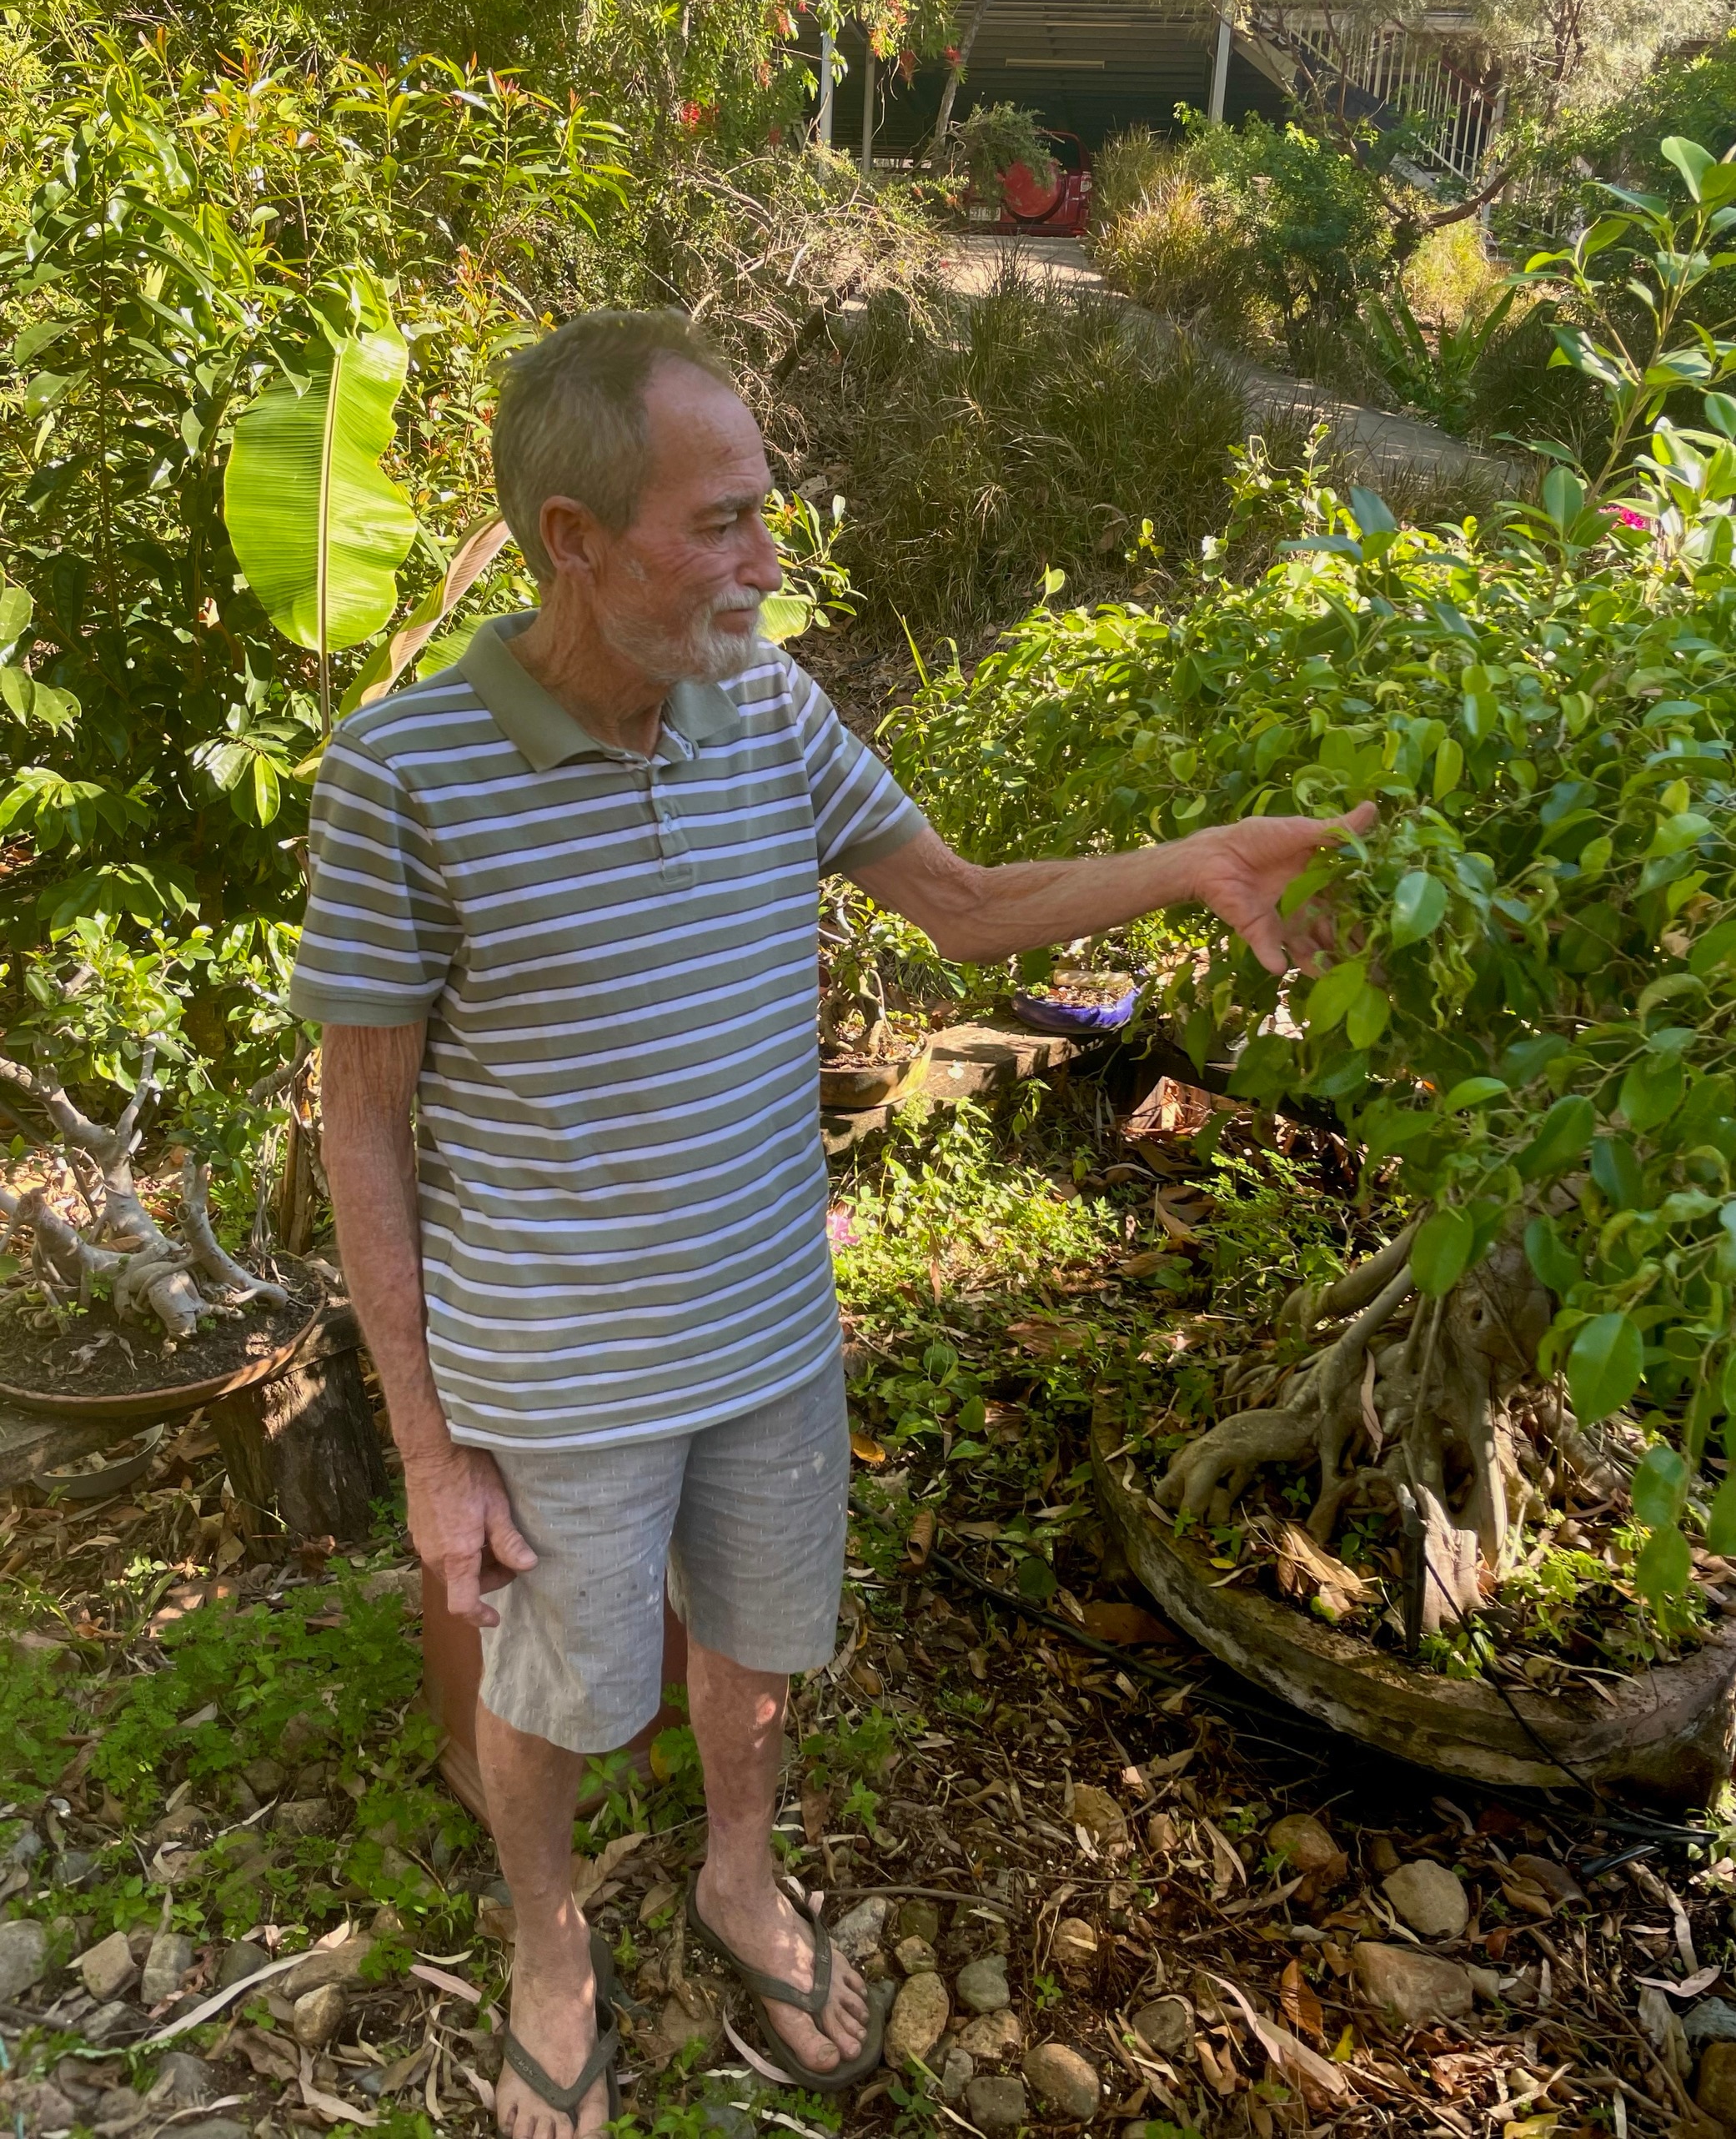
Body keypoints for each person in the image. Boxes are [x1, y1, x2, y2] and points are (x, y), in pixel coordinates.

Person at [295, 309, 1373, 2139]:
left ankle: (736, 1869)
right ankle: (549, 1935)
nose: (765, 557)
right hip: (556, 1373)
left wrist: (1191, 862)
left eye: (763, 511)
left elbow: (959, 904)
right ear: (574, 536)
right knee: (555, 1689)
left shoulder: (772, 710)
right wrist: (423, 1446)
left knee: (764, 1642)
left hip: (773, 1335)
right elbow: (367, 1122)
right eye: (719, 520)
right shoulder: (406, 773)